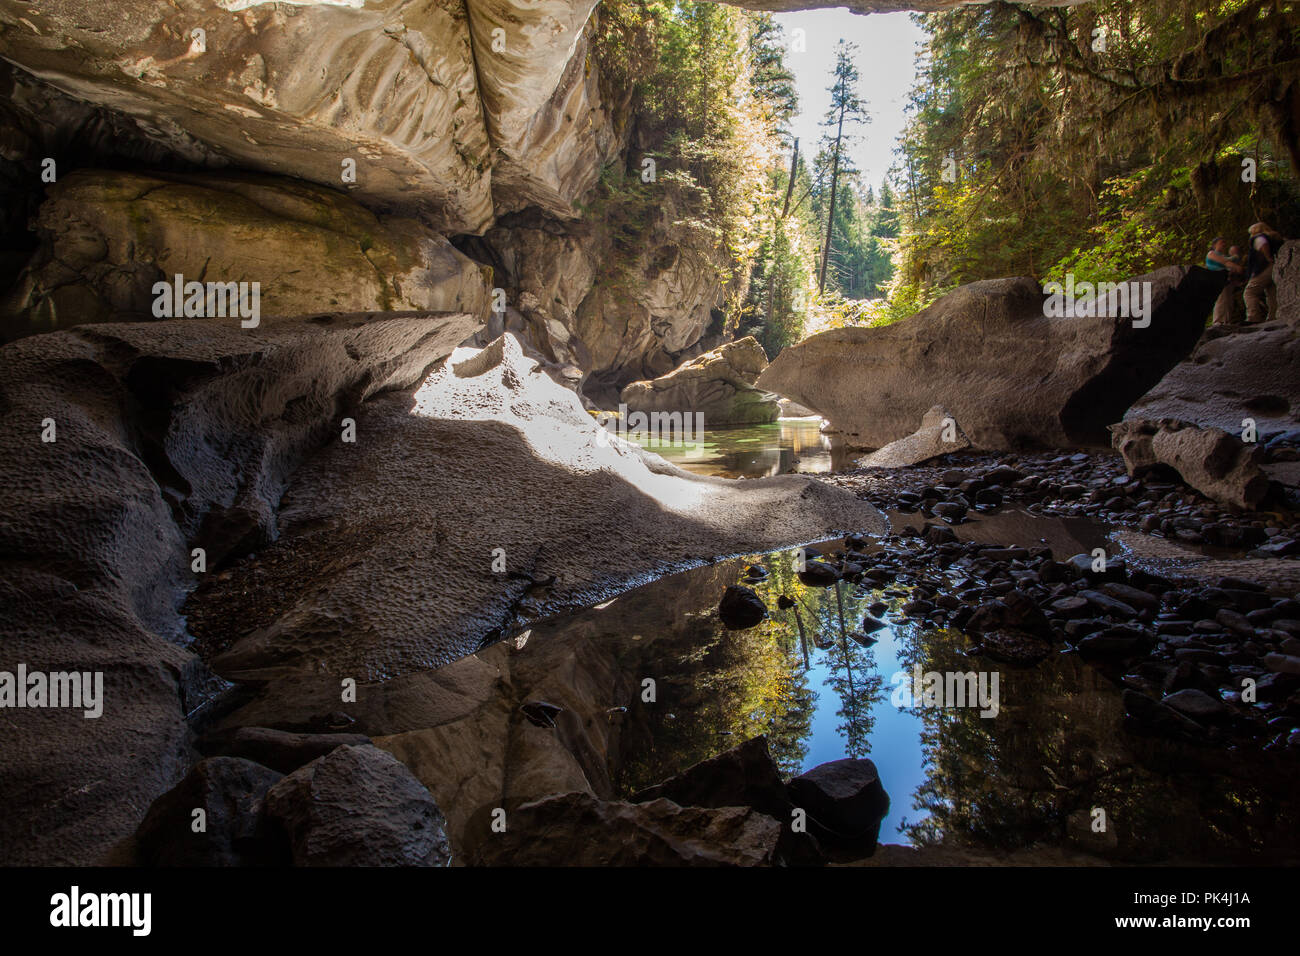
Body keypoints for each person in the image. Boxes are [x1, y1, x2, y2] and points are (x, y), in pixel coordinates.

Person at [1244, 221, 1285, 324]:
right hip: (1275, 266)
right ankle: (1274, 316)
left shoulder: (1258, 238)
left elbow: (1263, 244)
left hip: (1264, 267)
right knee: (1271, 291)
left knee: (1250, 292)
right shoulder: (1274, 237)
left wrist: (1268, 257)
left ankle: (1254, 317)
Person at [1205, 236, 1245, 325]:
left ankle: (1226, 322)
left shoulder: (1224, 256)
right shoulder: (1211, 253)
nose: (1224, 244)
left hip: (1226, 281)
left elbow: (1228, 264)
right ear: (1215, 245)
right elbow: (1225, 262)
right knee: (1221, 300)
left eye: (1224, 242)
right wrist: (1236, 264)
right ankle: (1218, 322)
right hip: (1216, 281)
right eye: (1221, 242)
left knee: (1228, 301)